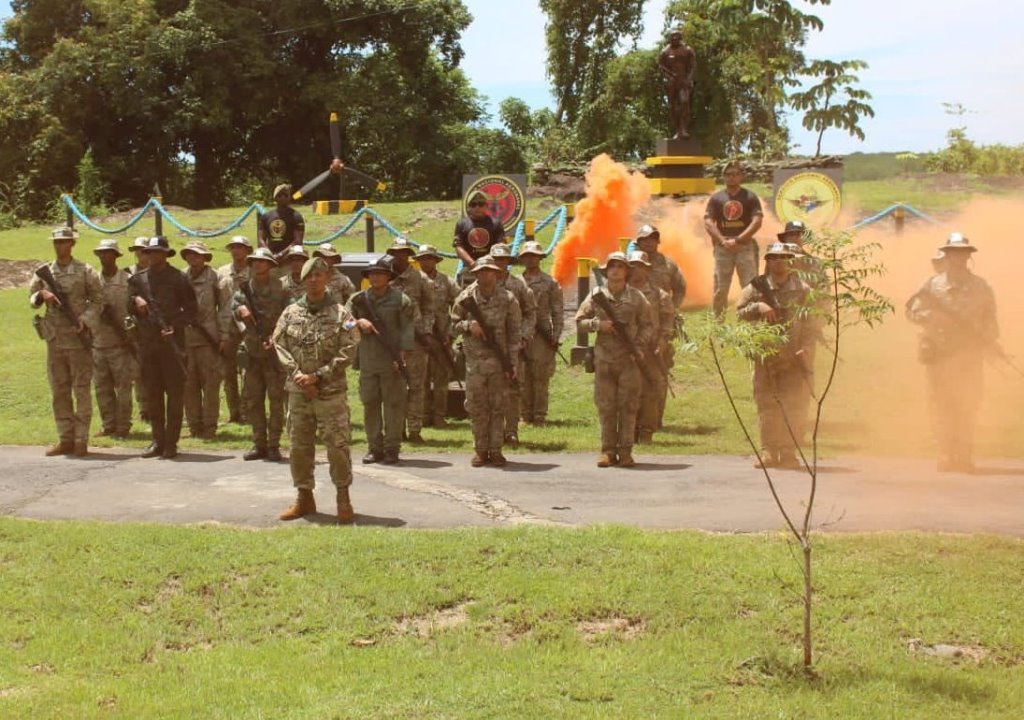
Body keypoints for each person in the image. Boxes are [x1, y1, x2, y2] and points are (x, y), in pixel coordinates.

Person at [273, 257, 360, 523]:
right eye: (310, 276)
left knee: (337, 445)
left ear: (327, 279)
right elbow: (279, 343)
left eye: (320, 275)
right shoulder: (290, 312)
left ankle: (343, 499)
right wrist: (297, 374)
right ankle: (304, 497)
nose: (314, 280)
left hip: (329, 393)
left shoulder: (342, 314)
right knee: (299, 446)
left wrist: (318, 375)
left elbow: (350, 348)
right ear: (303, 279)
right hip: (298, 392)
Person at [906, 233, 998, 473]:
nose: (958, 258)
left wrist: (987, 340)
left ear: (969, 257)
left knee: (968, 404)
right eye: (953, 254)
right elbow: (913, 312)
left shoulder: (981, 286)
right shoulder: (931, 285)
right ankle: (946, 453)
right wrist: (934, 318)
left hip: (968, 356)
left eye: (962, 254)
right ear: (946, 256)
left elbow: (990, 320)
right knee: (941, 405)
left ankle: (964, 453)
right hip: (939, 354)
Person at [736, 242, 815, 470]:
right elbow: (740, 313)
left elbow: (812, 321)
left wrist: (807, 347)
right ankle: (769, 451)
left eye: (783, 258)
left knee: (793, 405)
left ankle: (789, 452)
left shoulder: (803, 289)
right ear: (767, 261)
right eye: (774, 258)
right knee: (767, 404)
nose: (778, 262)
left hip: (793, 356)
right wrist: (758, 306)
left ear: (790, 261)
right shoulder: (756, 288)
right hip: (765, 356)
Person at [574, 251, 653, 468]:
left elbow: (648, 325)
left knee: (628, 407)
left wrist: (638, 346)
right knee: (606, 406)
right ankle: (607, 451)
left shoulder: (637, 297)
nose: (616, 270)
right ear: (606, 271)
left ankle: (625, 452)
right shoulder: (596, 294)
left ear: (627, 271)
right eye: (612, 266)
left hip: (629, 361)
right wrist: (599, 325)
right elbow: (580, 320)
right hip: (605, 360)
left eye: (620, 266)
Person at [29, 226, 102, 456]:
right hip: (55, 340)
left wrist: (85, 320)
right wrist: (42, 295)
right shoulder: (44, 272)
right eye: (56, 242)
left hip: (78, 340)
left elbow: (99, 300)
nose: (59, 246)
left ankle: (81, 440)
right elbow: (32, 299)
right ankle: (65, 438)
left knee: (81, 390)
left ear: (72, 244)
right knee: (59, 390)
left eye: (64, 242)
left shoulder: (85, 270)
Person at [128, 236, 197, 459]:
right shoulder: (138, 280)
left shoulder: (179, 278)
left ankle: (171, 443)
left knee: (175, 396)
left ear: (166, 254)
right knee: (153, 395)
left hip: (173, 345)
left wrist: (175, 327)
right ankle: (157, 441)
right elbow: (127, 306)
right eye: (150, 252)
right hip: (148, 345)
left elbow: (192, 311)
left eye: (158, 252)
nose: (154, 256)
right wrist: (136, 303)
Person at [452, 255, 522, 467]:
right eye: (481, 271)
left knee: (498, 406)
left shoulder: (508, 299)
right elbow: (452, 325)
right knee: (477, 407)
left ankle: (496, 449)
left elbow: (514, 332)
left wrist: (513, 362)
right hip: (474, 362)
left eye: (489, 271)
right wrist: (468, 326)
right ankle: (481, 450)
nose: (485, 275)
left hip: (499, 362)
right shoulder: (465, 297)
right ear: (476, 274)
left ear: (496, 273)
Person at [347, 256, 415, 465]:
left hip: (392, 361)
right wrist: (358, 321)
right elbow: (343, 322)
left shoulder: (401, 300)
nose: (376, 277)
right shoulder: (357, 299)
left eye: (380, 273)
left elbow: (407, 329)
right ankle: (374, 448)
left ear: (388, 277)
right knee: (371, 405)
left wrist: (402, 356)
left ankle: (392, 448)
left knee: (393, 406)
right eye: (372, 273)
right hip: (368, 360)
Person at [232, 247, 292, 462]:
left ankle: (274, 445)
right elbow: (234, 305)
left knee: (276, 400)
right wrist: (240, 310)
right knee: (253, 400)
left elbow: (291, 315)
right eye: (254, 261)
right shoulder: (245, 287)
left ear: (270, 265)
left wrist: (276, 338)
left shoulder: (282, 288)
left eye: (262, 261)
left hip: (275, 354)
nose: (257, 265)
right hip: (253, 352)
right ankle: (259, 444)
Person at [487, 243, 535, 446]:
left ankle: (511, 431)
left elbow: (530, 312)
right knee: (489, 390)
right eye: (496, 260)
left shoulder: (518, 285)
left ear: (508, 262)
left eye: (503, 260)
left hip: (513, 345)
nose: (500, 263)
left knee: (513, 389)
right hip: (488, 347)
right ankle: (491, 433)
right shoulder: (481, 285)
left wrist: (523, 336)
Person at [387, 237, 434, 443]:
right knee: (392, 388)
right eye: (396, 252)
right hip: (389, 342)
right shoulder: (382, 276)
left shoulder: (420, 278)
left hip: (416, 340)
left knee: (416, 386)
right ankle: (395, 429)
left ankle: (414, 429)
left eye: (404, 252)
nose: (400, 256)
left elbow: (429, 307)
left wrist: (425, 331)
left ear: (408, 255)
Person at [181, 241, 228, 439]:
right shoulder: (181, 277)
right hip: (185, 340)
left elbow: (225, 308)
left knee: (210, 386)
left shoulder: (215, 277)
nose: (193, 258)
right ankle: (194, 426)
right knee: (188, 386)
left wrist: (224, 335)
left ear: (204, 257)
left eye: (197, 254)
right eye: (189, 254)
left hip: (209, 339)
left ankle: (210, 426)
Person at [704, 162, 764, 318]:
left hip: (744, 246)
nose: (732, 177)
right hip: (723, 248)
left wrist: (738, 240)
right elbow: (708, 222)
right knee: (720, 288)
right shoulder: (716, 198)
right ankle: (718, 323)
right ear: (724, 177)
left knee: (750, 286)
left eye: (735, 174)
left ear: (741, 176)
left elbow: (757, 221)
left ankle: (750, 321)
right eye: (728, 174)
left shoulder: (750, 197)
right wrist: (723, 241)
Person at [627, 250, 674, 444]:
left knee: (651, 392)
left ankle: (646, 432)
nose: (636, 270)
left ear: (647, 270)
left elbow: (668, 320)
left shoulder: (659, 295)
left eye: (641, 266)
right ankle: (628, 431)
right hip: (626, 350)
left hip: (651, 350)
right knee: (627, 391)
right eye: (633, 266)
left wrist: (662, 342)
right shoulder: (620, 292)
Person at [91, 239, 135, 439]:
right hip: (97, 342)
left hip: (121, 344)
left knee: (123, 387)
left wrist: (130, 335)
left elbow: (136, 311)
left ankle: (123, 426)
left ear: (116, 256)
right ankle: (108, 425)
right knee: (102, 387)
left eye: (109, 253)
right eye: (101, 253)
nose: (105, 256)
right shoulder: (92, 280)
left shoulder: (127, 280)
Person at [518, 241, 563, 426]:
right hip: (521, 333)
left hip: (542, 335)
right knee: (522, 375)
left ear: (540, 258)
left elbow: (557, 311)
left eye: (534, 255)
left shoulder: (550, 282)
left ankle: (539, 415)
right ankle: (524, 414)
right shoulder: (516, 282)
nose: (531, 259)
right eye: (527, 255)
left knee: (540, 376)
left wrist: (556, 335)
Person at [414, 244, 459, 428]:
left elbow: (460, 306)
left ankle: (439, 416)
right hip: (420, 338)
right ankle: (423, 416)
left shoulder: (447, 282)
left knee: (441, 379)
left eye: (429, 258)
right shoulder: (414, 281)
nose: (426, 261)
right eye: (423, 258)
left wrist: (451, 333)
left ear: (435, 260)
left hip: (442, 338)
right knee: (421, 379)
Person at [216, 236, 252, 423]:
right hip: (226, 330)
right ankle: (233, 412)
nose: (236, 251)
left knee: (247, 372)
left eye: (240, 247)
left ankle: (246, 412)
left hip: (248, 329)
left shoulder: (254, 272)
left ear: (248, 250)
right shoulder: (221, 273)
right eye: (233, 247)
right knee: (227, 373)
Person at [453, 190, 505, 287]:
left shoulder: (495, 223)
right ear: (468, 207)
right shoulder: (462, 224)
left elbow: (499, 247)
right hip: (470, 267)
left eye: (480, 204)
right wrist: (473, 264)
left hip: (492, 266)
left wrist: (485, 264)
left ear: (486, 206)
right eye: (473, 204)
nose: (477, 207)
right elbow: (458, 247)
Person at [125, 236, 151, 422]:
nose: (140, 254)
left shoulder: (157, 272)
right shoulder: (127, 274)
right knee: (138, 371)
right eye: (137, 250)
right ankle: (144, 408)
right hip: (135, 328)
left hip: (156, 329)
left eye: (143, 250)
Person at [658, 26, 697, 140]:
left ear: (680, 38)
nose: (674, 39)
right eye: (672, 37)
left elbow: (693, 66)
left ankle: (683, 129)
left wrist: (689, 79)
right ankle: (677, 130)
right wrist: (668, 76)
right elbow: (661, 66)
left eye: (676, 37)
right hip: (671, 82)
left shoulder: (688, 50)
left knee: (684, 103)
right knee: (672, 107)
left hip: (683, 81)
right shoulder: (665, 51)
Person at [259, 184, 306, 258]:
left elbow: (298, 240)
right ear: (275, 197)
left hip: (289, 258)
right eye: (279, 195)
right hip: (270, 259)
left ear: (289, 197)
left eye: (285, 195)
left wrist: (281, 254)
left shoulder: (296, 216)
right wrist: (269, 254)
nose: (283, 197)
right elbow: (261, 239)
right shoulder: (266, 216)